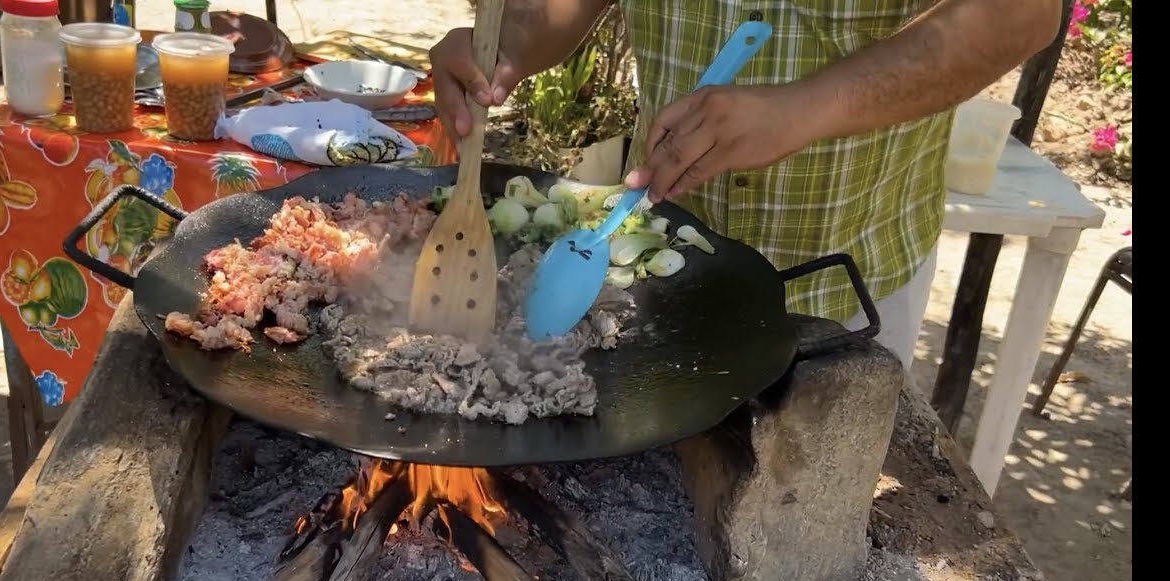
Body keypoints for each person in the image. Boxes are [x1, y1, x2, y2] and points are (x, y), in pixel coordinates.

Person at [428, 0, 1061, 370]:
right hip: (649, 260)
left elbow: (1021, 13)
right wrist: (509, 40)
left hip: (841, 268)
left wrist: (806, 108)